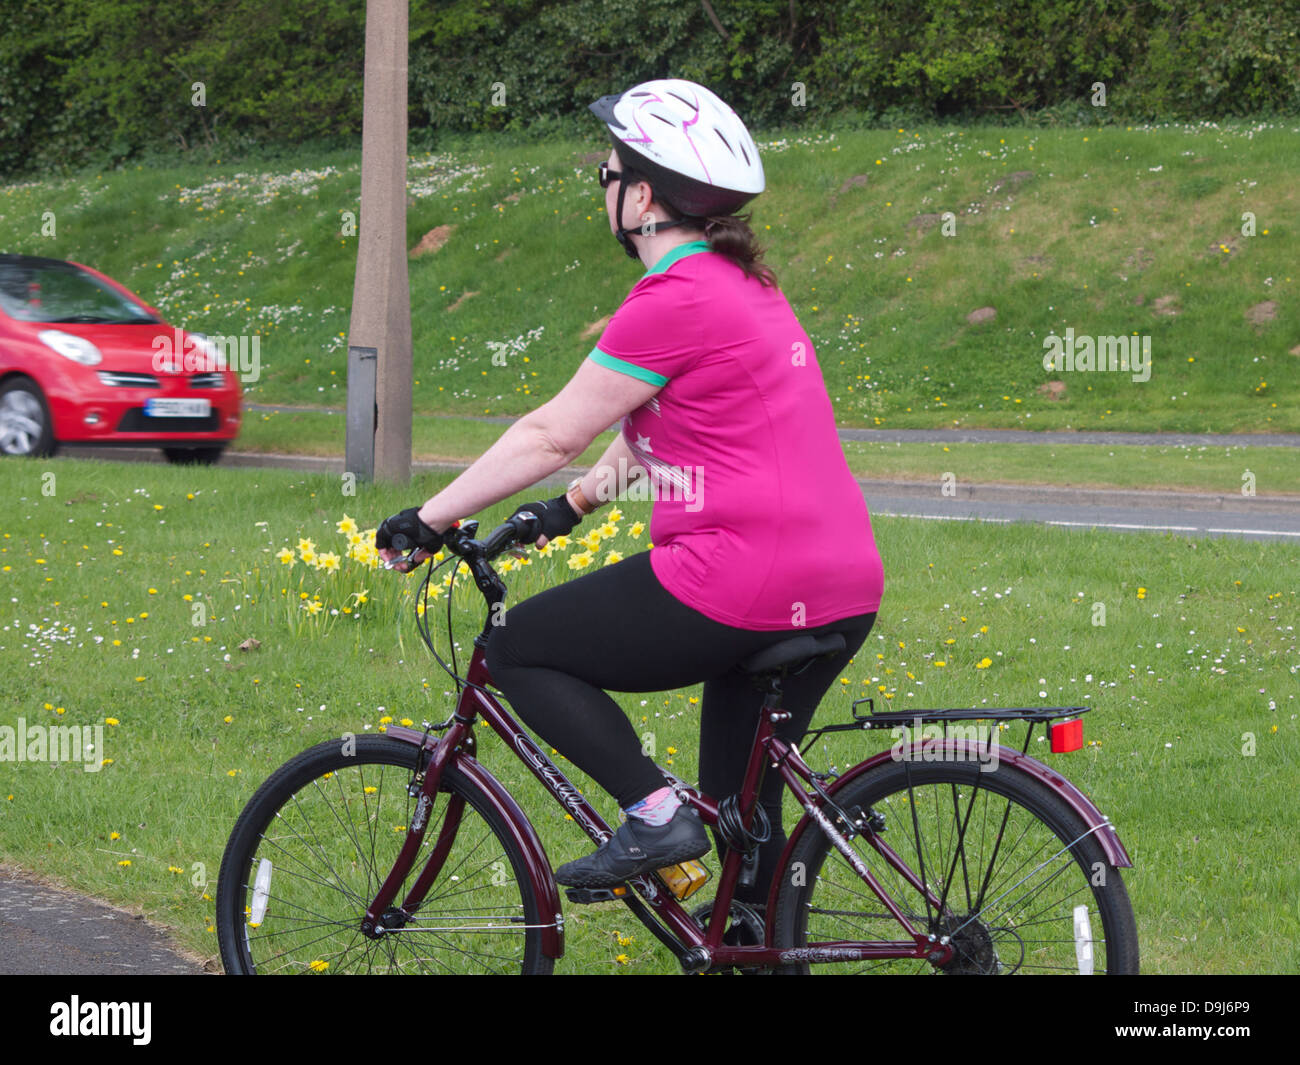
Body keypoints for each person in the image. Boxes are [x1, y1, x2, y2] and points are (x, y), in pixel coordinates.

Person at [376, 78, 884, 912]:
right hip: (840, 580)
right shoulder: (742, 284)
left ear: (641, 196)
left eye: (607, 174)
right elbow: (662, 426)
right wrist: (569, 508)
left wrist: (430, 518)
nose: (603, 188)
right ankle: (754, 950)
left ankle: (651, 813)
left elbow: (551, 432)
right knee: (740, 813)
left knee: (518, 647)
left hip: (742, 576)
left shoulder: (673, 297)